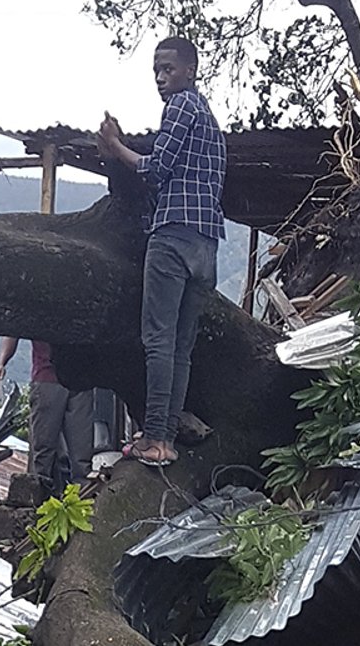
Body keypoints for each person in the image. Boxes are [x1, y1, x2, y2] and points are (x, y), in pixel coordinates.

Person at [97, 36, 226, 467]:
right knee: (180, 347)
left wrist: (115, 147)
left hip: (172, 239)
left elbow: (156, 169)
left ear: (190, 70)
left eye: (168, 69)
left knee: (157, 340)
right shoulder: (209, 119)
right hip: (207, 245)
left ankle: (154, 437)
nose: (160, 78)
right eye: (156, 70)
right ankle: (166, 437)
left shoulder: (181, 106)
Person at [0, 337, 94, 493]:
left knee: (78, 456)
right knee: (43, 454)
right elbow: (14, 329)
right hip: (52, 378)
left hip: (77, 379)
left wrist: (2, 362)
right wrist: (2, 362)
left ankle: (81, 505)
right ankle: (37, 503)